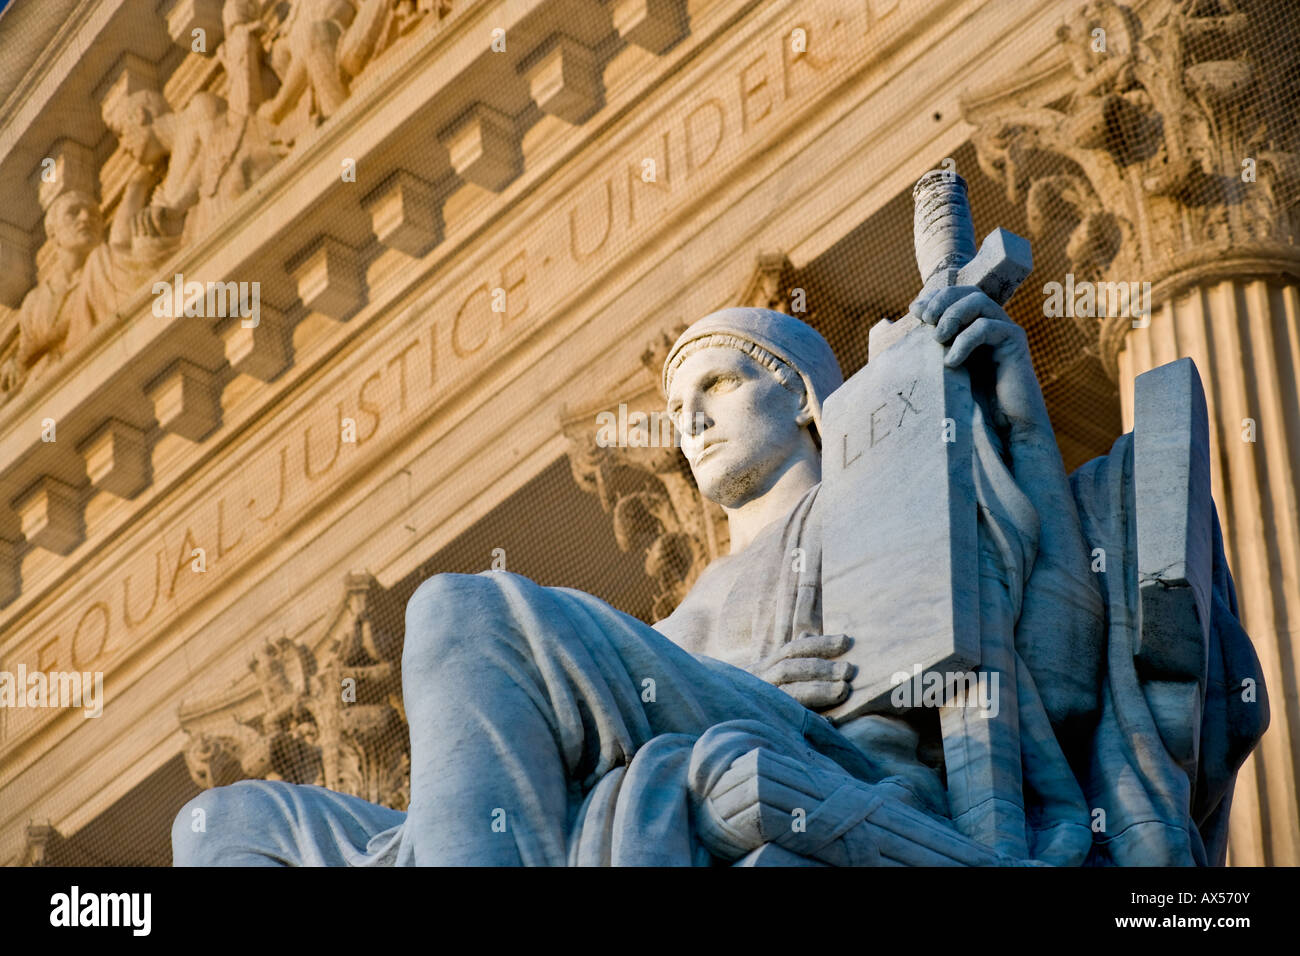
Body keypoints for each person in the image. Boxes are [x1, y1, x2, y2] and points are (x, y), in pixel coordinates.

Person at [172, 291, 1262, 866]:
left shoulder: (869, 510)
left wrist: (1012, 420)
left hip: (829, 760)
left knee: (460, 608)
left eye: (721, 381)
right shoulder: (675, 617)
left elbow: (1059, 682)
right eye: (678, 399)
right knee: (224, 826)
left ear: (802, 399)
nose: (688, 418)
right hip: (675, 759)